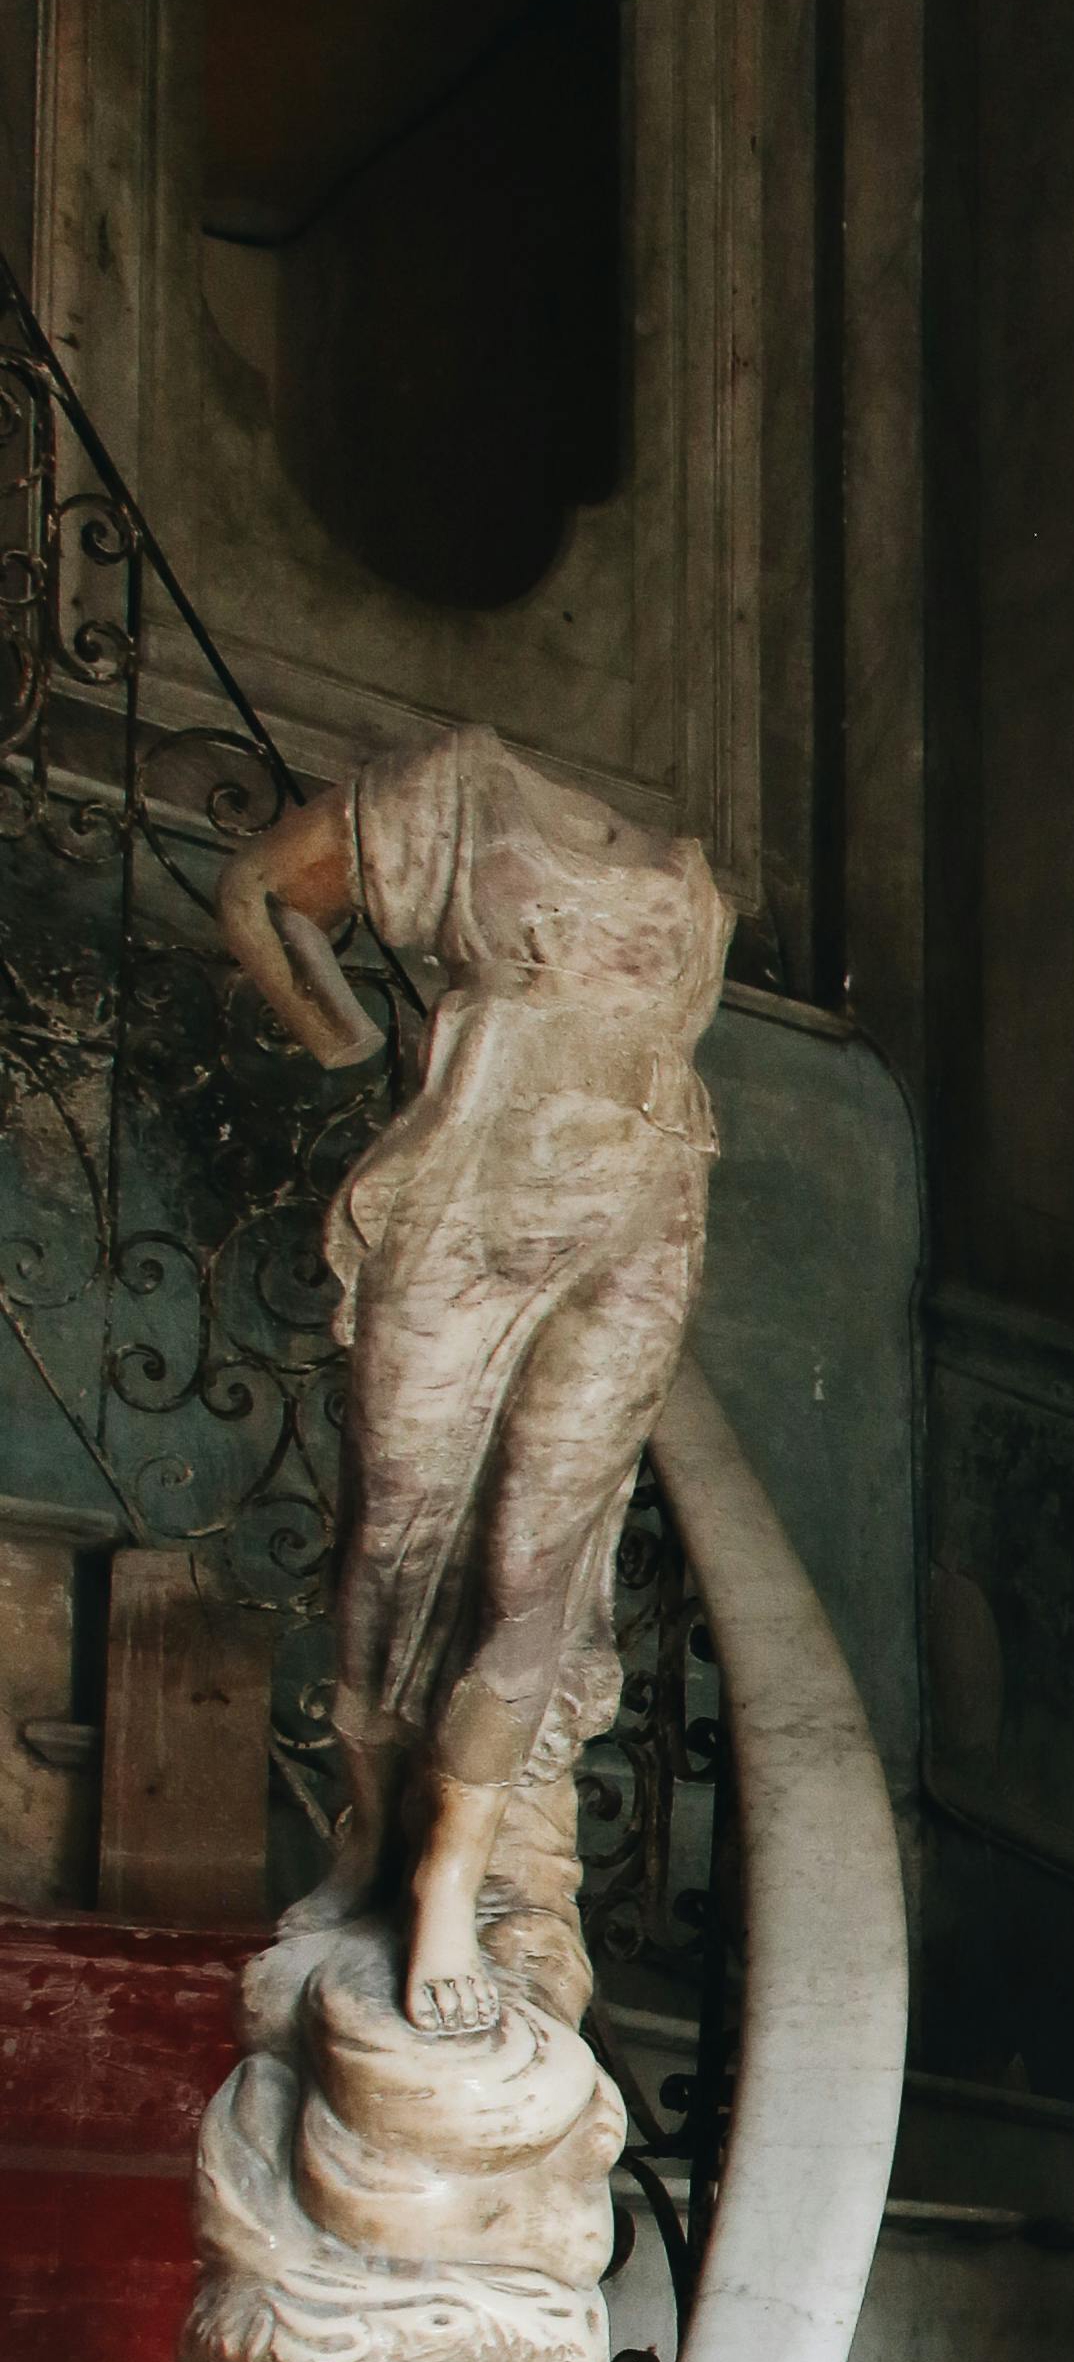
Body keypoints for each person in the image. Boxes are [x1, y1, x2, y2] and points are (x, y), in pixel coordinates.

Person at [217, 730, 728, 2040]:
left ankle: (453, 1876)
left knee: (534, 1569)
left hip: (646, 1222)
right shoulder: (454, 785)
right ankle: (373, 1838)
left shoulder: (693, 874)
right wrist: (342, 1040)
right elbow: (258, 891)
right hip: (469, 1197)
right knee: (391, 1541)